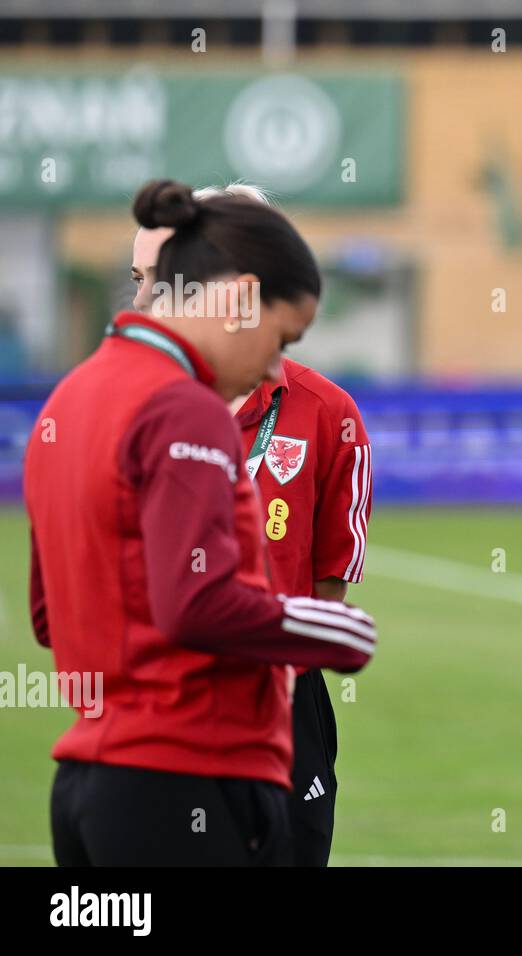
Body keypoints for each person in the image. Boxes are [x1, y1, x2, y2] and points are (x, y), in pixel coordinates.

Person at [25, 179, 378, 866]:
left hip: (84, 782)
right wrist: (342, 630)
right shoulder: (183, 408)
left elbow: (48, 616)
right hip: (183, 776)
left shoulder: (68, 399)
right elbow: (197, 603)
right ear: (242, 297)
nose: (277, 362)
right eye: (282, 334)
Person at [131, 183, 373, 867]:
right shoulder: (139, 401)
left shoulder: (329, 413)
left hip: (287, 699)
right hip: (166, 698)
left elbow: (328, 588)